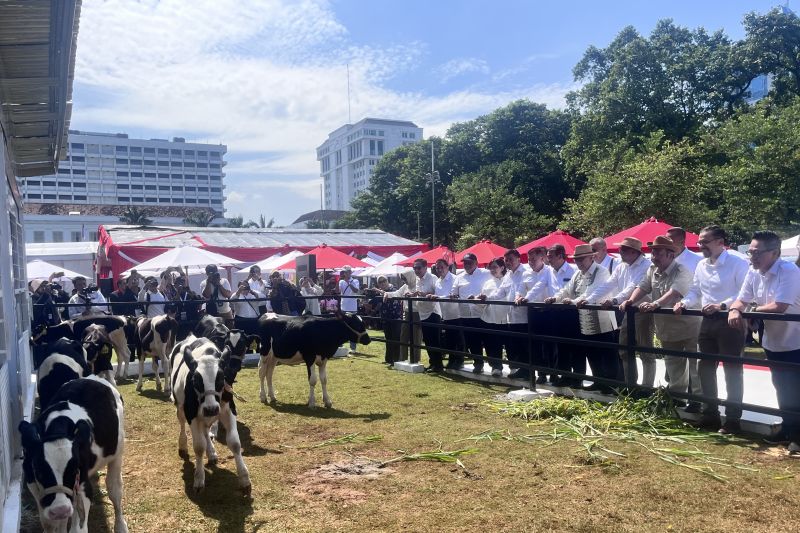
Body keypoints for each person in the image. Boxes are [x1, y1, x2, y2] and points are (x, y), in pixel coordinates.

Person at [729, 231, 800, 454]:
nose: (752, 256)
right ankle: (788, 428)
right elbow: (742, 298)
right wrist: (734, 309)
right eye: (750, 252)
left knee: (795, 388)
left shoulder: (789, 271)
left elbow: (779, 306)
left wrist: (748, 312)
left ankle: (797, 435)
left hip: (796, 339)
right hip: (773, 340)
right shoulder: (753, 271)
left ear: (775, 253)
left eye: (757, 252)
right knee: (781, 386)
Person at [674, 225, 749, 433]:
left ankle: (733, 420)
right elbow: (695, 290)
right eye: (699, 241)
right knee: (705, 369)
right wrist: (685, 303)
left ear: (720, 241)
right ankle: (711, 415)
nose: (700, 245)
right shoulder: (701, 264)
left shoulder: (737, 262)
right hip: (707, 321)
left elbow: (745, 293)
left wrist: (722, 305)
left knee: (732, 371)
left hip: (730, 320)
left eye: (704, 241)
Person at [620, 235, 700, 400]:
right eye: (652, 252)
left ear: (671, 255)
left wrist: (655, 304)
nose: (654, 257)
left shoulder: (682, 270)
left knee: (695, 365)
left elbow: (674, 292)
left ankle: (698, 401)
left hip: (689, 326)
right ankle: (677, 398)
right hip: (666, 327)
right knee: (673, 362)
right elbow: (642, 287)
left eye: (658, 253)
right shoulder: (652, 270)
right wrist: (630, 300)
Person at [580, 237, 654, 387]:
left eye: (623, 249)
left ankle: (646, 388)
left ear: (634, 252)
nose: (620, 252)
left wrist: (614, 300)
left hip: (643, 311)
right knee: (624, 349)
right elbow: (609, 284)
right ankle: (630, 385)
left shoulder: (647, 266)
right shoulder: (622, 265)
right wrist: (589, 299)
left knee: (646, 352)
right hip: (628, 310)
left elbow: (634, 287)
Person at [546, 244, 618, 392]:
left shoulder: (601, 271)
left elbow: (594, 291)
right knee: (592, 352)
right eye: (577, 259)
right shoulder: (578, 274)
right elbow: (567, 290)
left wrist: (572, 301)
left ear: (591, 257)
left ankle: (610, 384)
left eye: (581, 259)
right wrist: (555, 298)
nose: (579, 262)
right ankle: (598, 381)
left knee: (606, 352)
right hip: (585, 319)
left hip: (602, 319)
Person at [515, 246, 558, 384]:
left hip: (548, 311)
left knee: (551, 344)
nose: (530, 262)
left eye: (533, 259)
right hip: (533, 311)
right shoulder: (526, 273)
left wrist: (526, 297)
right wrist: (518, 297)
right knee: (536, 344)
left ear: (542, 258)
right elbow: (520, 289)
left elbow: (539, 286)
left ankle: (554, 373)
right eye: (528, 259)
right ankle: (541, 373)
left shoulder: (550, 271)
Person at [494, 249, 533, 380]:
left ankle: (531, 372)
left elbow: (532, 290)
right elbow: (500, 293)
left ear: (518, 259)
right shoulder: (508, 275)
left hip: (524, 316)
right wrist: (484, 297)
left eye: (510, 259)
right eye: (506, 260)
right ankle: (523, 370)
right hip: (511, 316)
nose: (508, 262)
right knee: (516, 345)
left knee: (527, 346)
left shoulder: (527, 271)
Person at [451, 253, 491, 374]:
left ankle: (495, 365)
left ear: (476, 262)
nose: (467, 265)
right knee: (471, 340)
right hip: (466, 313)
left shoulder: (486, 273)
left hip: (483, 312)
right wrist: (454, 295)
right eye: (465, 262)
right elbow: (453, 291)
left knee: (488, 339)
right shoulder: (459, 277)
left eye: (469, 262)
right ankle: (478, 363)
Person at [474, 257, 508, 377]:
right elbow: (483, 302)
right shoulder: (487, 283)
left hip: (505, 317)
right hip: (489, 316)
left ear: (502, 268)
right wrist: (478, 300)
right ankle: (496, 366)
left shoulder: (508, 280)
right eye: (491, 267)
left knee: (509, 343)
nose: (493, 270)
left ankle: (515, 366)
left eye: (495, 267)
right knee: (491, 343)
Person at [384, 269, 423, 364]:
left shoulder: (419, 284)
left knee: (416, 337)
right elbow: (397, 293)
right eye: (402, 279)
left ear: (410, 277)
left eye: (405, 278)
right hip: (407, 312)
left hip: (417, 312)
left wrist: (413, 295)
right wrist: (387, 293)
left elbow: (421, 295)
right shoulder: (406, 286)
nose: (403, 281)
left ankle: (415, 359)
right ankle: (402, 358)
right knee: (403, 335)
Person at [432, 258, 463, 370]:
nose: (439, 269)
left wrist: (438, 297)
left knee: (458, 339)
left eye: (441, 267)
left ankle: (458, 361)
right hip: (445, 314)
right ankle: (452, 360)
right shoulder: (437, 281)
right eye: (437, 268)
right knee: (449, 340)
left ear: (448, 267)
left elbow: (453, 295)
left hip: (457, 313)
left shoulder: (455, 279)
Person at [374, 276, 403, 365]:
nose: (382, 283)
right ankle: (389, 359)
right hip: (386, 318)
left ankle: (396, 359)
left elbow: (392, 293)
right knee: (388, 338)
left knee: (395, 339)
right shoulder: (381, 292)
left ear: (387, 281)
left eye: (384, 281)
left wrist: (381, 292)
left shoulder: (393, 288)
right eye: (380, 282)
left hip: (395, 318)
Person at [339, 266, 361, 353]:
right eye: (344, 272)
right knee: (342, 327)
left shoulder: (355, 281)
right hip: (343, 306)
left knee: (353, 327)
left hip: (352, 307)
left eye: (347, 272)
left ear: (350, 272)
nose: (345, 273)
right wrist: (338, 281)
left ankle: (353, 348)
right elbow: (337, 291)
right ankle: (340, 345)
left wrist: (349, 282)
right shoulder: (341, 281)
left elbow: (356, 290)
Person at [173, 275, 203, 340]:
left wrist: (188, 290)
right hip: (181, 323)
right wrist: (178, 292)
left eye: (182, 282)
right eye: (179, 283)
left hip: (192, 321)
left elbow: (199, 303)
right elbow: (173, 305)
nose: (181, 284)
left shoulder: (191, 293)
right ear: (175, 285)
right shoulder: (175, 295)